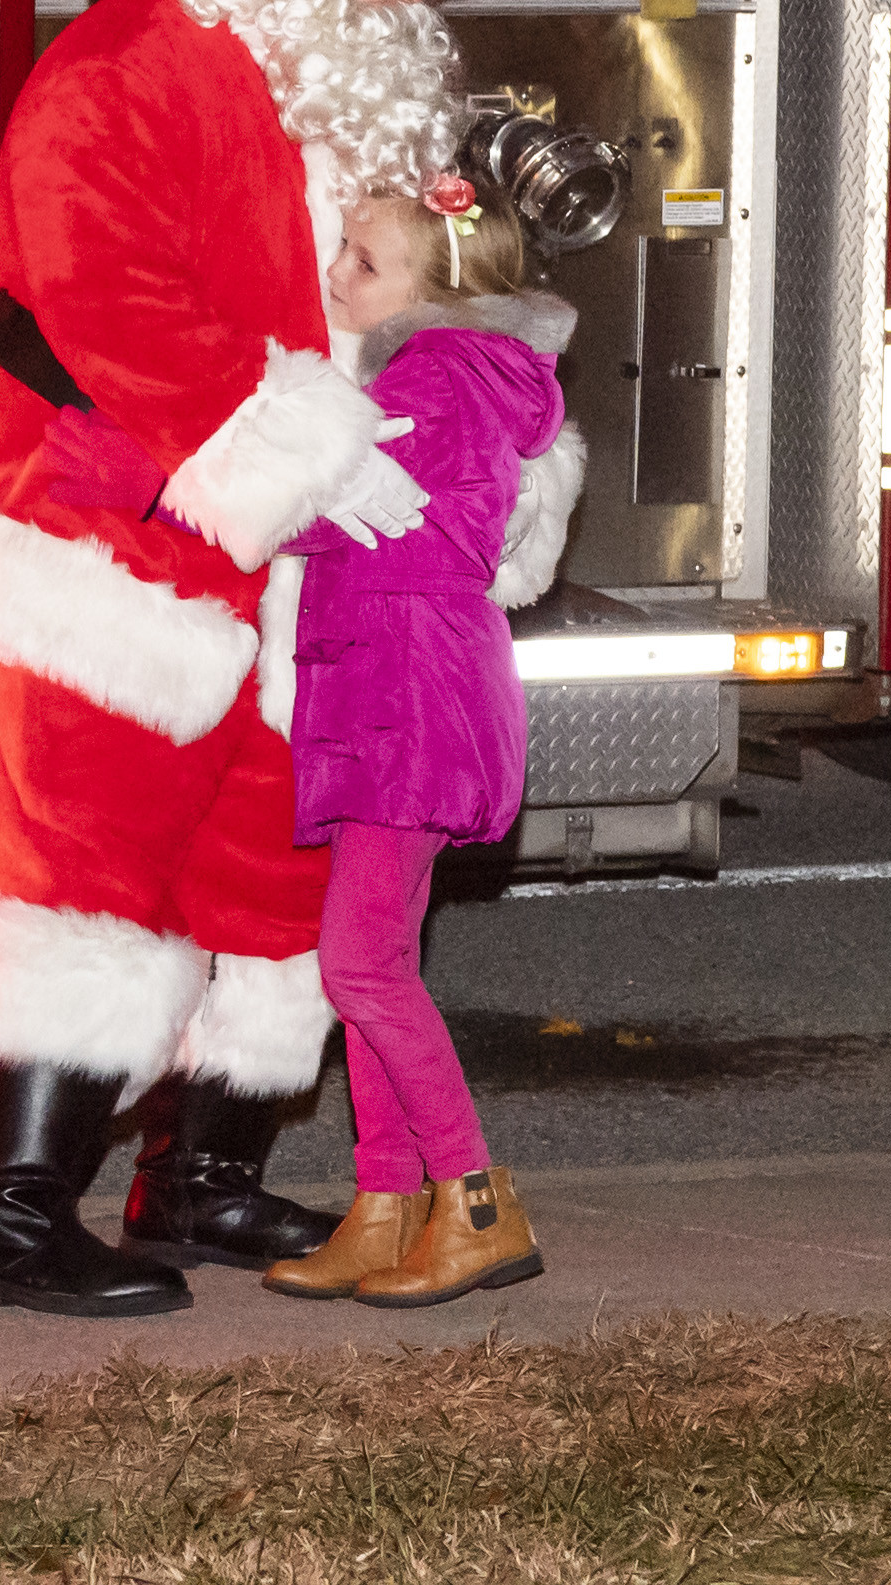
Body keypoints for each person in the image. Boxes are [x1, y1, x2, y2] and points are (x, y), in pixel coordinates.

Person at [0, 0, 466, 1317]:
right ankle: (2, 1213)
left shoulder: (347, 101)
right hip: (88, 540)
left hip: (278, 561)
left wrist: (470, 432)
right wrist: (306, 447)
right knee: (91, 870)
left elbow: (420, 299)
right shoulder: (126, 71)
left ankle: (199, 1179)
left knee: (273, 868)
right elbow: (103, 298)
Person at [259, 172, 581, 1308]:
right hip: (396, 691)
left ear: (434, 290)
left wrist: (276, 500)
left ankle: (476, 1202)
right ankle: (386, 1205)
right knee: (373, 964)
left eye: (365, 261)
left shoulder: (441, 371)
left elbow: (407, 532)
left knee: (359, 965)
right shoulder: (441, 366)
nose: (339, 274)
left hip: (414, 694)